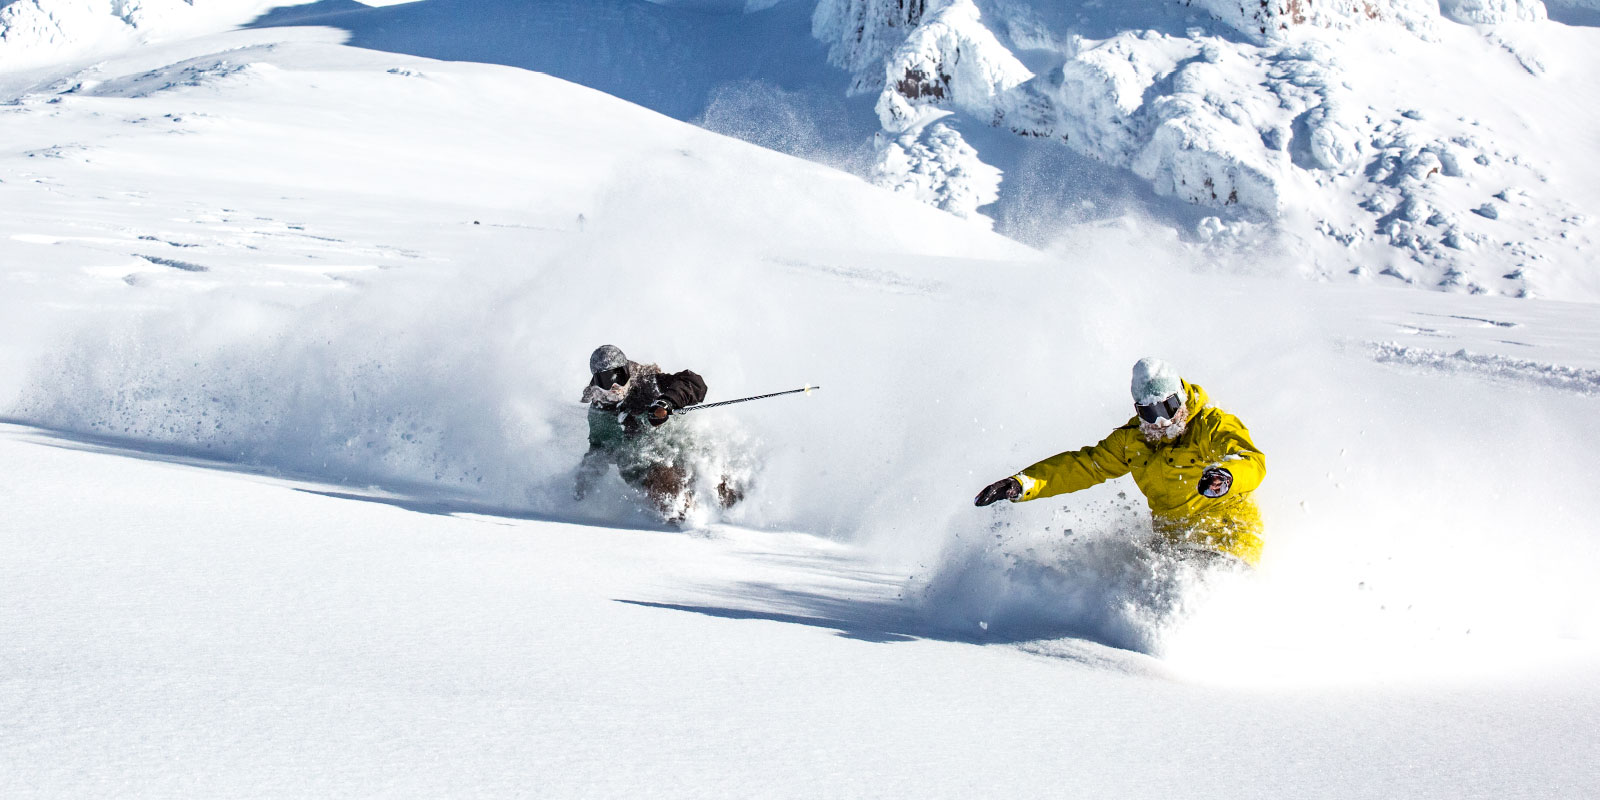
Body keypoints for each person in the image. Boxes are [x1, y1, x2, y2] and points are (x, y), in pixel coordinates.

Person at [974, 358, 1267, 566]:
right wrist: (1023, 483)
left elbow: (1251, 461)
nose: (1162, 421)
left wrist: (1226, 474)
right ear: (1138, 411)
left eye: (1169, 407)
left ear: (1181, 398)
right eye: (1151, 413)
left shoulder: (1211, 425)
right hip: (1175, 547)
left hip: (1229, 543)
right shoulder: (1133, 441)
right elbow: (1085, 465)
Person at [574, 344, 727, 520]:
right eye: (607, 380)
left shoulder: (648, 382)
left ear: (627, 371)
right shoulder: (599, 412)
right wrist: (584, 481)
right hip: (646, 469)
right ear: (597, 382)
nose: (615, 386)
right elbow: (599, 449)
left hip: (682, 452)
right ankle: (689, 532)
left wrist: (667, 401)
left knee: (721, 487)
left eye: (619, 376)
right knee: (675, 504)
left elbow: (693, 382)